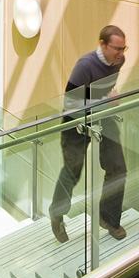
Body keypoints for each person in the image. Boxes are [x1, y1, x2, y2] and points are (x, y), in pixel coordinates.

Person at [48, 25, 128, 243]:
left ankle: (109, 218)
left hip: (101, 116)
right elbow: (70, 103)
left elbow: (105, 91)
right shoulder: (85, 65)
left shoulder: (119, 61)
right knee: (73, 171)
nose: (121, 54)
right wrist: (105, 102)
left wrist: (106, 102)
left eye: (124, 48)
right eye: (116, 49)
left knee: (118, 168)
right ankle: (57, 213)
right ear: (102, 44)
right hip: (75, 122)